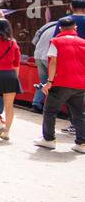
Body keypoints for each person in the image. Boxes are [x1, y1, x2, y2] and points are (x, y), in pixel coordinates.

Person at [34, 17, 85, 152]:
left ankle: (49, 139)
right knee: (79, 113)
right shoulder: (83, 42)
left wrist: (49, 82)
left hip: (61, 82)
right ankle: (82, 143)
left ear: (60, 28)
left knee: (50, 111)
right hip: (80, 84)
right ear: (75, 28)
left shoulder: (56, 41)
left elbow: (53, 62)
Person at [31, 18, 58, 113]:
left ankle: (36, 103)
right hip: (51, 57)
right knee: (53, 82)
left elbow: (34, 41)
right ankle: (50, 107)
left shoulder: (48, 25)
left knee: (43, 81)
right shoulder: (63, 28)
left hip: (38, 55)